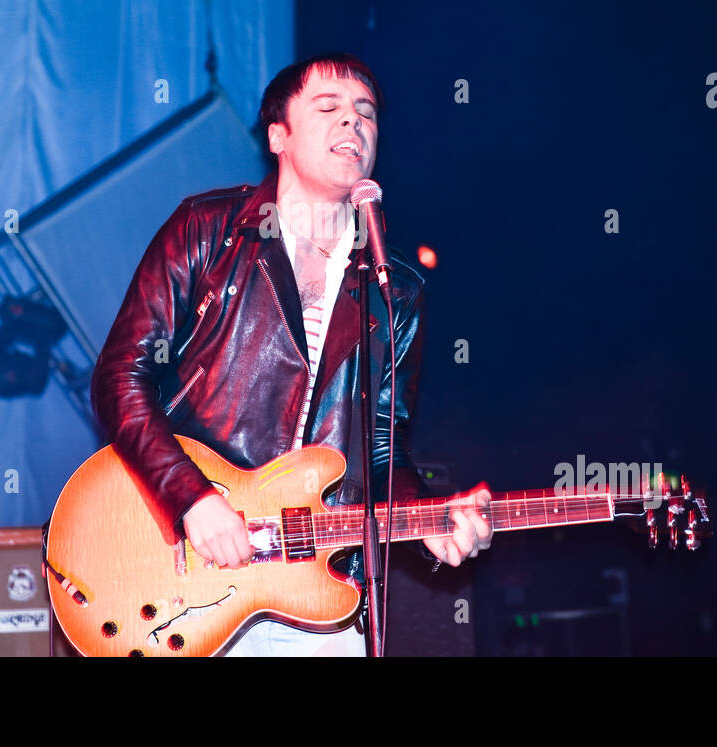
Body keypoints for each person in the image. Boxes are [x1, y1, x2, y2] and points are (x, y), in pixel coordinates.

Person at [92, 52, 492, 656]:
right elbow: (121, 376)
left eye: (366, 114)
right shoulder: (207, 231)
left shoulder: (395, 289)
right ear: (277, 135)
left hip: (316, 585)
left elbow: (382, 448)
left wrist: (429, 519)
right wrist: (190, 498)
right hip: (183, 566)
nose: (352, 124)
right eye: (328, 109)